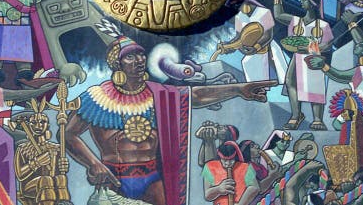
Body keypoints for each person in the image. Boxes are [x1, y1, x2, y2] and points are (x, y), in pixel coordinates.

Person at [64, 22, 276, 205]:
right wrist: (93, 163)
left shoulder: (156, 95)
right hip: (114, 179)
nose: (138, 60)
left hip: (152, 178)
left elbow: (197, 96)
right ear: (116, 63)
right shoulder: (97, 98)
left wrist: (238, 89)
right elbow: (68, 135)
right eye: (130, 57)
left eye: (140, 55)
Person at [274, 0, 334, 130]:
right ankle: (296, 115)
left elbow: (327, 45)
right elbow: (278, 16)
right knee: (290, 82)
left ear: (312, 5)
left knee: (315, 86)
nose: (301, 2)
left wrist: (310, 48)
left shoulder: (324, 25)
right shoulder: (296, 21)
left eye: (304, 0)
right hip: (297, 57)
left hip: (313, 58)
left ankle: (318, 119)